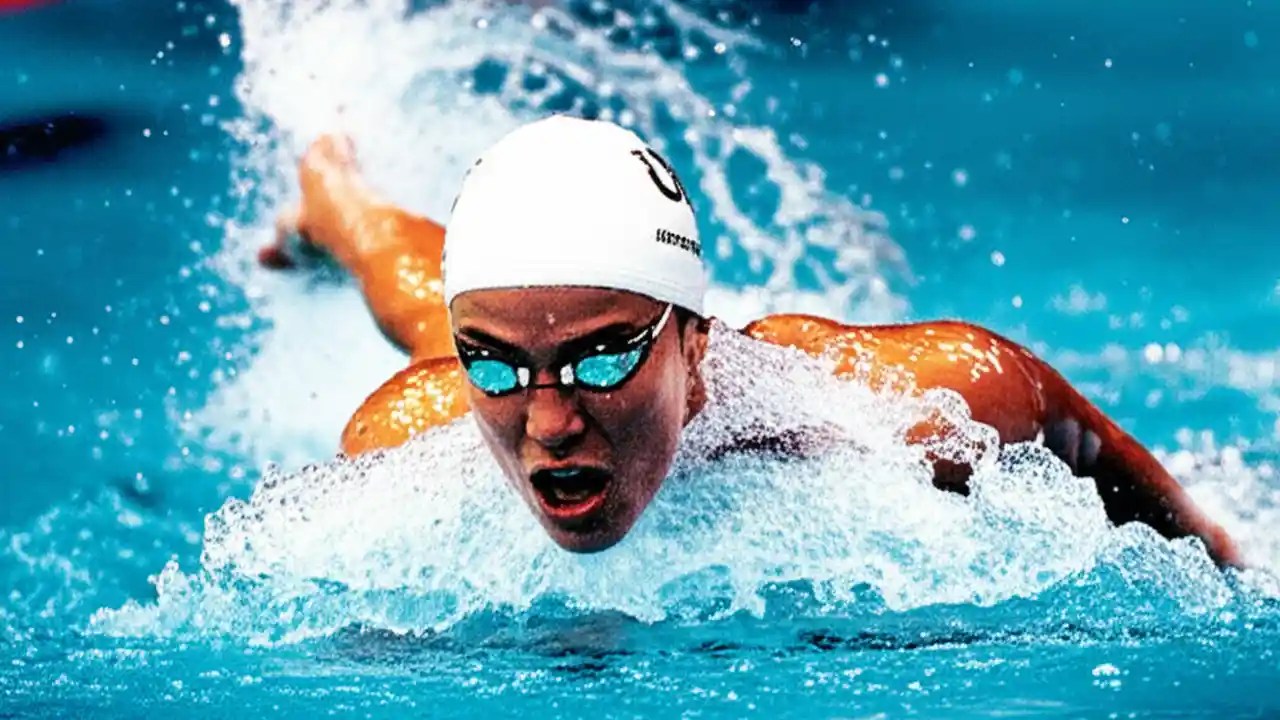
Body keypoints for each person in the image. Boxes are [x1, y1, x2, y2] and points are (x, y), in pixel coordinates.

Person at [259, 115, 1241, 566]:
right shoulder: (409, 439)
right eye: (497, 371)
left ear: (691, 344)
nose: (547, 424)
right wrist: (531, 361)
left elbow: (1101, 458)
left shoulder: (921, 409)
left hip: (778, 364)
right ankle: (332, 196)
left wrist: (1223, 555)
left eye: (604, 362)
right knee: (408, 280)